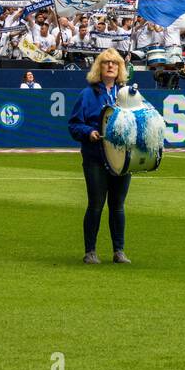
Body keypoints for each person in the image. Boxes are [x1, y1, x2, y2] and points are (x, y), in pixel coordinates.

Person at [67, 49, 133, 264]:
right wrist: (89, 132)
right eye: (106, 63)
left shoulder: (127, 93)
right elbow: (74, 125)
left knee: (118, 205)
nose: (111, 66)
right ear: (99, 67)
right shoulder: (87, 94)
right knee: (95, 204)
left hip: (122, 158)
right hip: (95, 156)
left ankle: (119, 250)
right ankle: (90, 251)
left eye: (115, 63)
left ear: (121, 67)